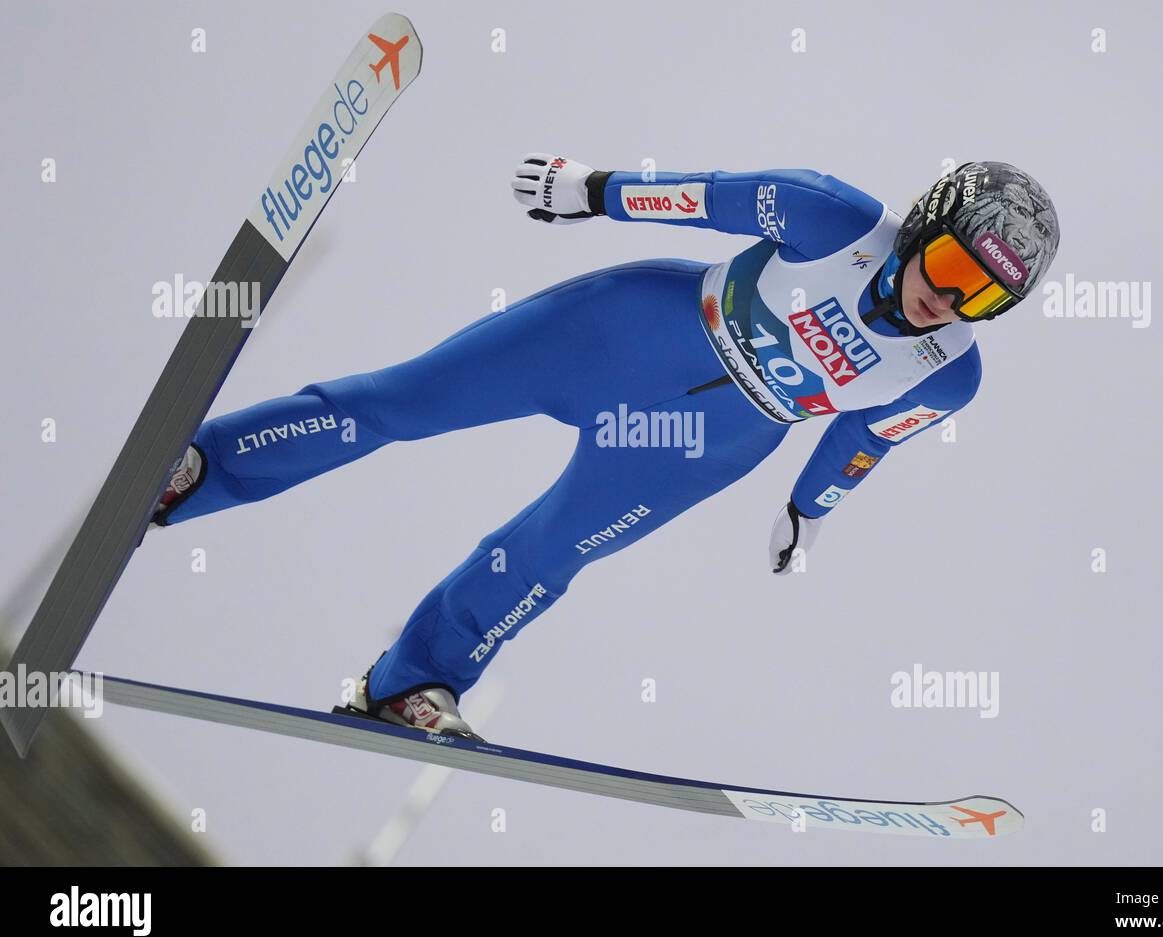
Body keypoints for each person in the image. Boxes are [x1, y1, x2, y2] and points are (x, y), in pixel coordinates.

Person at [152, 155, 1061, 740]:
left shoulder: (949, 376)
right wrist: (593, 192)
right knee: (404, 403)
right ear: (920, 226)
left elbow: (867, 441)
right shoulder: (831, 217)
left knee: (548, 554)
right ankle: (199, 471)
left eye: (980, 299)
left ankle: (410, 685)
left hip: (702, 442)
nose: (948, 301)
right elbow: (703, 199)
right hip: (623, 332)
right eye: (947, 269)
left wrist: (806, 510)